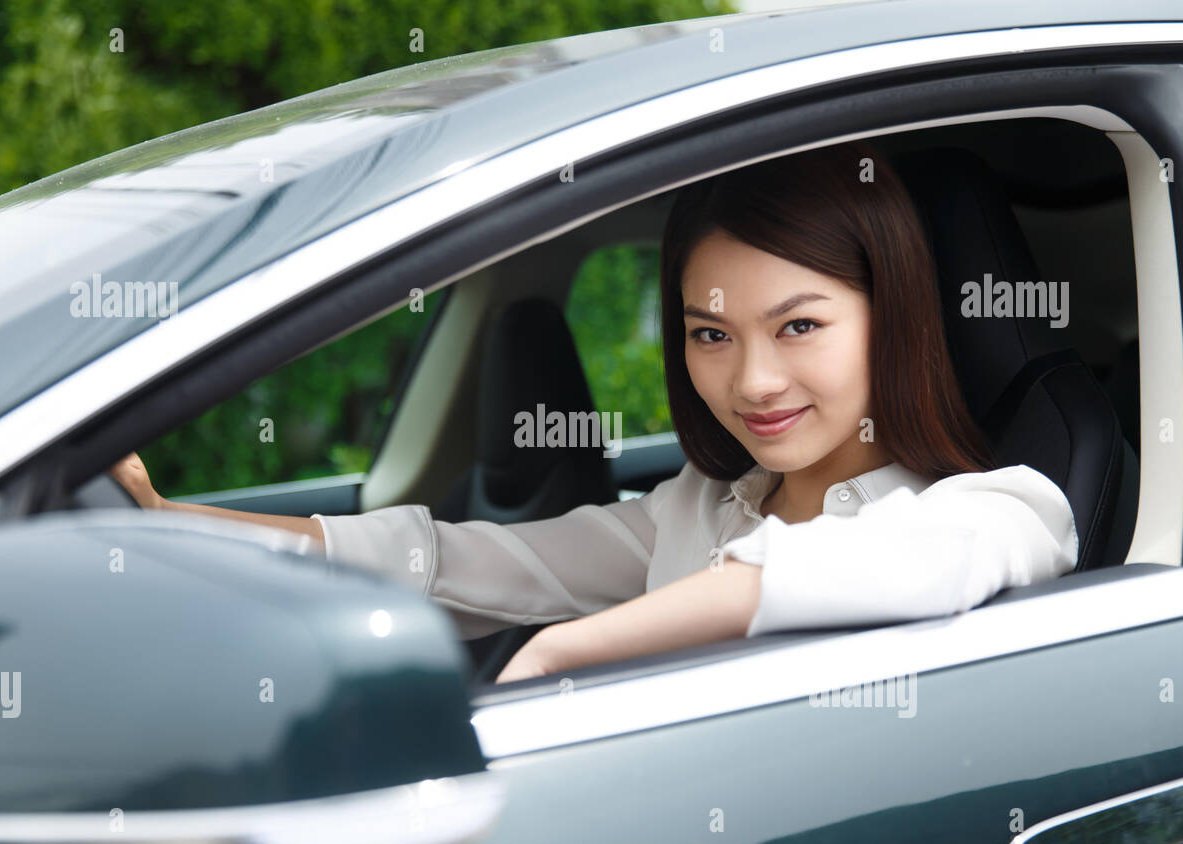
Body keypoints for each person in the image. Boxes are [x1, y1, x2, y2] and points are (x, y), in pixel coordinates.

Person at [109, 139, 1079, 684]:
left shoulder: (1004, 506)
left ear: (890, 317)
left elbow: (910, 561)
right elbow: (448, 559)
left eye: (798, 327)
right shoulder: (699, 507)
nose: (751, 382)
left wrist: (568, 648)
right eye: (710, 333)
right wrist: (170, 528)